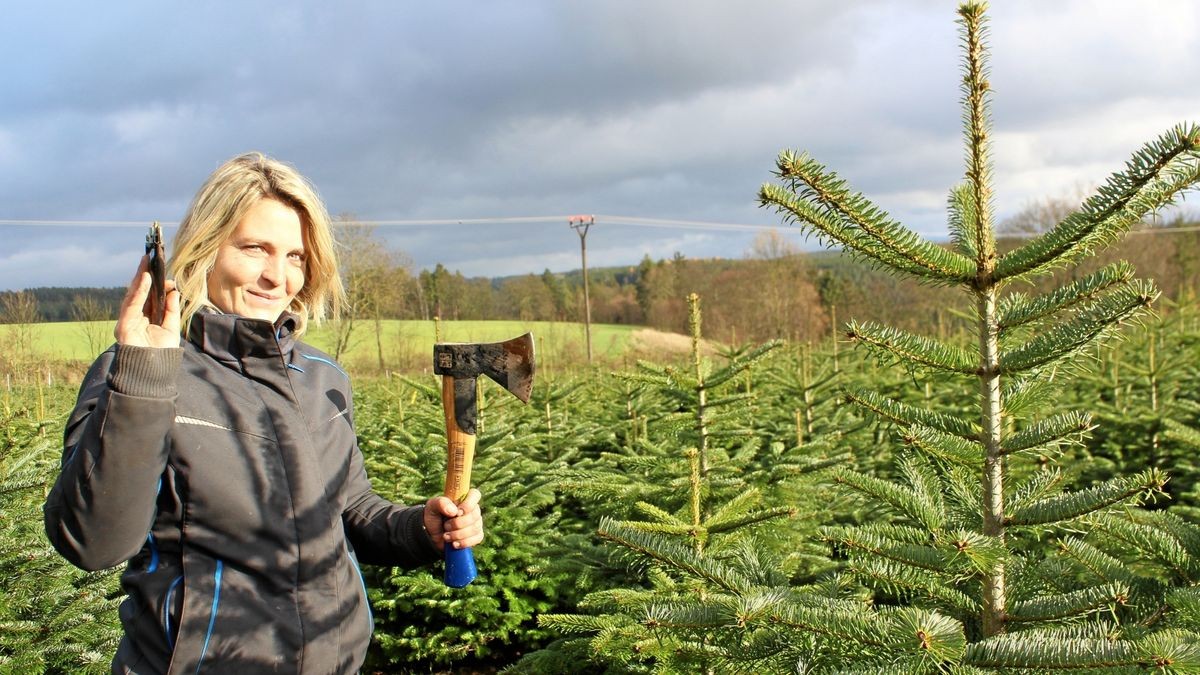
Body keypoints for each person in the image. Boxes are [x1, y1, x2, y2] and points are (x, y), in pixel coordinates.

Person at [43, 152, 484, 674]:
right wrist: (141, 379)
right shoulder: (143, 372)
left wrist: (420, 529)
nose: (278, 276)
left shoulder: (322, 376)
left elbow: (350, 508)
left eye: (295, 256)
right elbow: (93, 543)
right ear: (206, 247)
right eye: (255, 249)